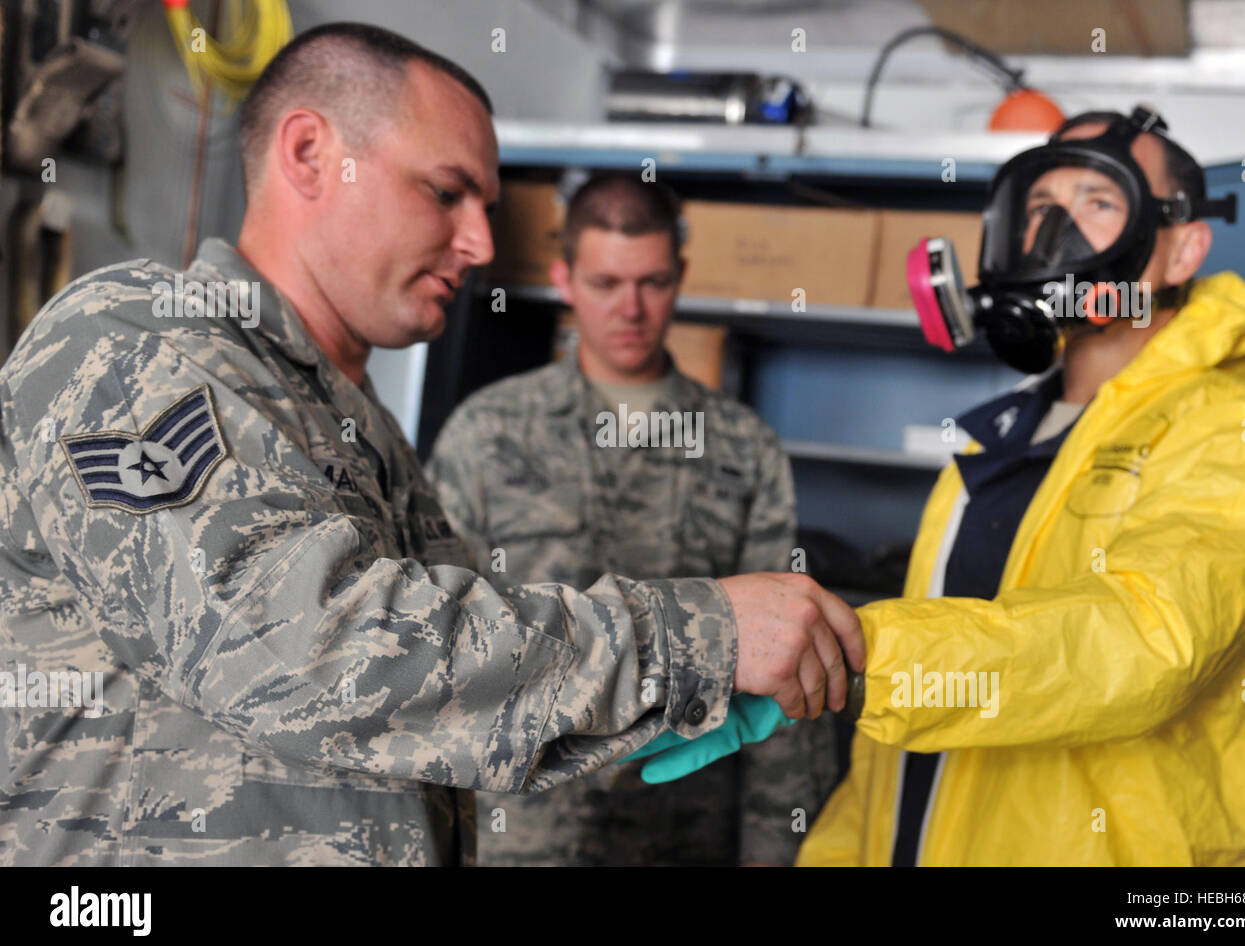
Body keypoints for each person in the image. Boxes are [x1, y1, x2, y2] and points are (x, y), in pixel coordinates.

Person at [0, 22, 863, 867]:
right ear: (308, 155)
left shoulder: (355, 427)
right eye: (446, 193)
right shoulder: (135, 340)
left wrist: (695, 686)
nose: (482, 244)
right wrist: (695, 638)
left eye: (485, 205)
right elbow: (295, 652)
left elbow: (443, 717)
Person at [787, 106, 1245, 866]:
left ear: (1184, 249)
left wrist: (864, 660)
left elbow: (1142, 644)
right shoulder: (997, 440)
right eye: (1039, 208)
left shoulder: (1228, 432)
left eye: (1097, 203)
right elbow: (894, 770)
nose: (1054, 234)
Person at [430, 174, 840, 866]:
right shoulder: (487, 432)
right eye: (605, 283)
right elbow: (437, 644)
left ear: (680, 276)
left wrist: (779, 850)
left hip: (680, 832)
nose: (630, 309)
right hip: (519, 838)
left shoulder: (742, 447)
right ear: (564, 277)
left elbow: (787, 674)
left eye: (651, 282)